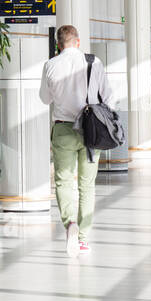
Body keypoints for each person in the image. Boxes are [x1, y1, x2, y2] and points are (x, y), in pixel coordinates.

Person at [39, 24, 115, 257]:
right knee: (86, 184)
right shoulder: (94, 62)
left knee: (63, 181)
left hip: (63, 128)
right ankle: (82, 238)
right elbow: (109, 97)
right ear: (78, 42)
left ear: (58, 44)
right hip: (91, 129)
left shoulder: (50, 65)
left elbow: (44, 99)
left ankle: (70, 223)